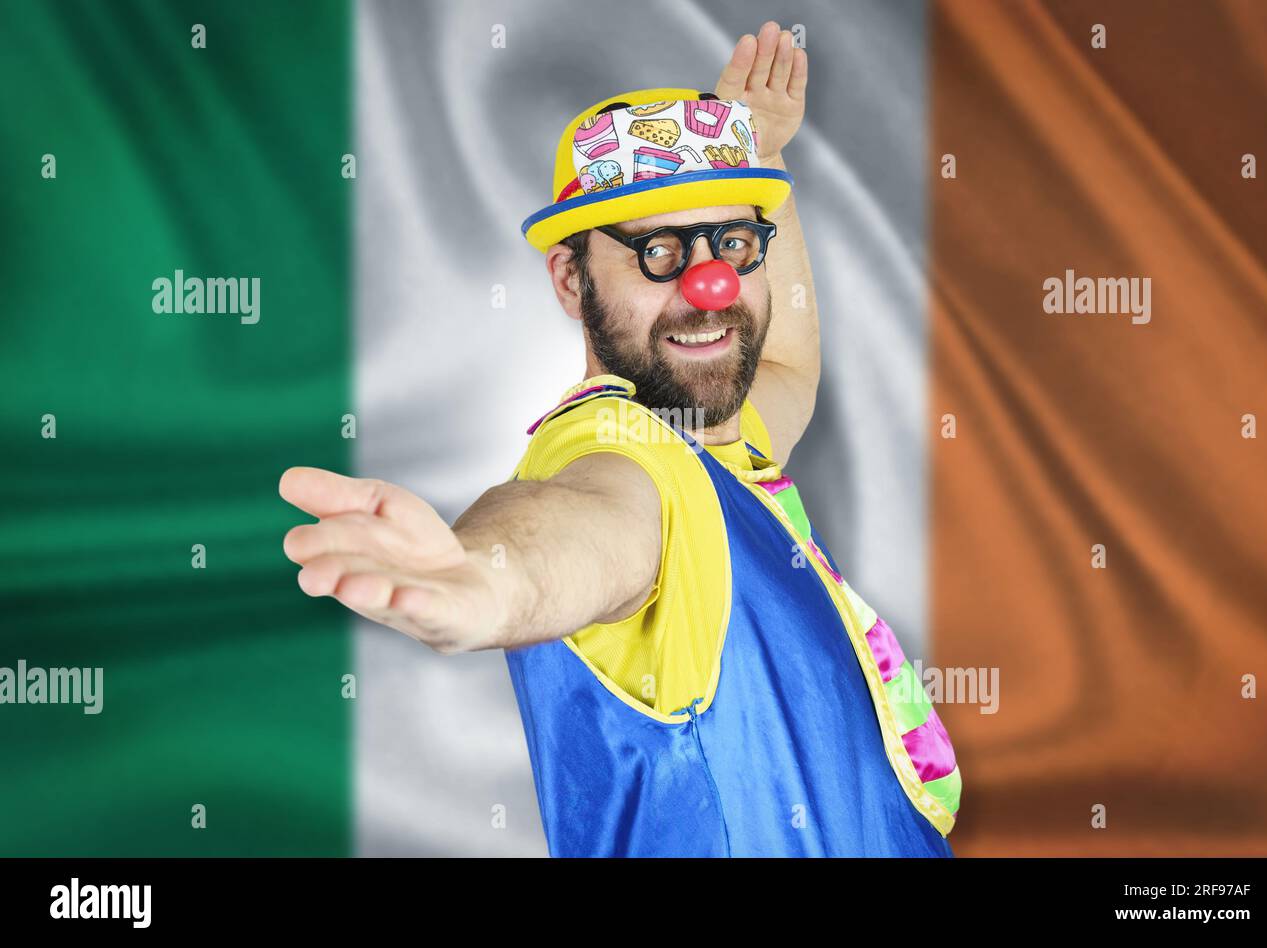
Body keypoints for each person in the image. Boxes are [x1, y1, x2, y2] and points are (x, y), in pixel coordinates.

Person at [280, 22, 960, 857]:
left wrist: (765, 159)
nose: (710, 288)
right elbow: (590, 521)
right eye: (661, 251)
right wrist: (488, 580)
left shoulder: (725, 450)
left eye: (734, 245)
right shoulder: (622, 449)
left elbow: (788, 363)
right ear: (572, 280)